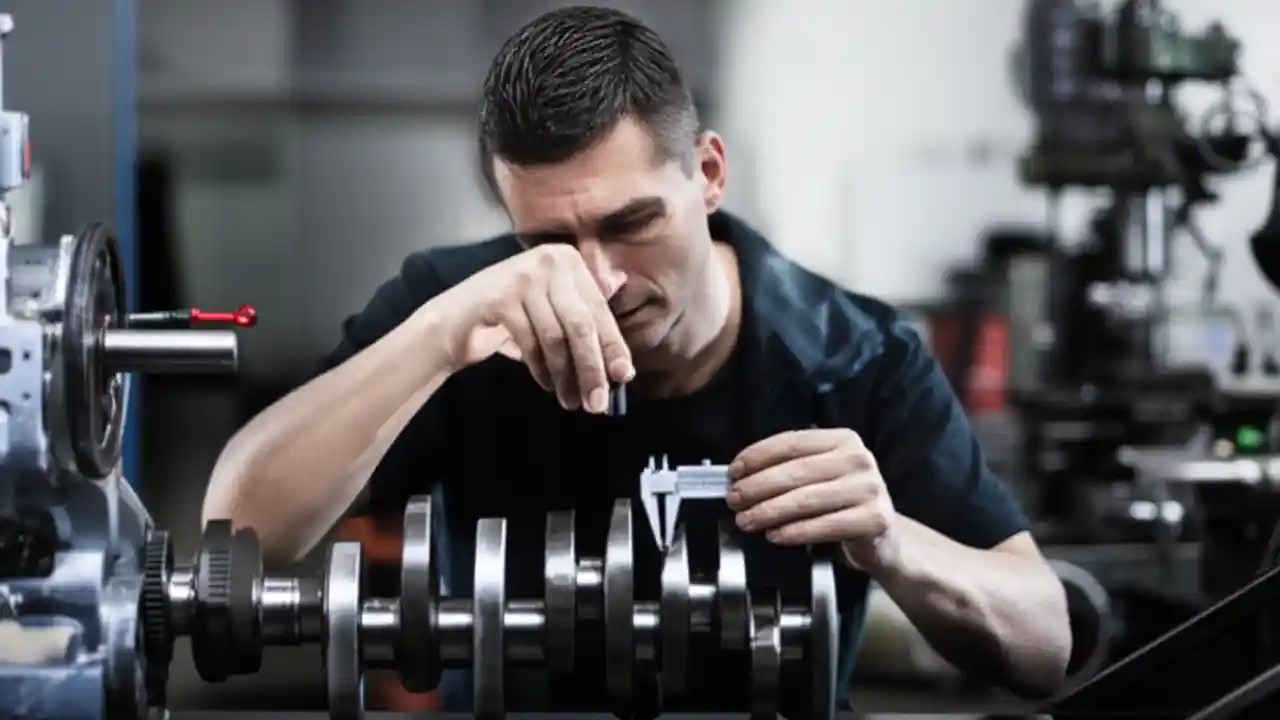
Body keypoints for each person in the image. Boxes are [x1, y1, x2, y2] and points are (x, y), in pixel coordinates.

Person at [201, 4, 1071, 712]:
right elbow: (238, 537)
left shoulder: (856, 355)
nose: (601, 278)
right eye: (549, 238)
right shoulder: (459, 309)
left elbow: (1043, 649)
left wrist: (892, 542)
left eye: (631, 223)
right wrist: (435, 339)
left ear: (709, 172)